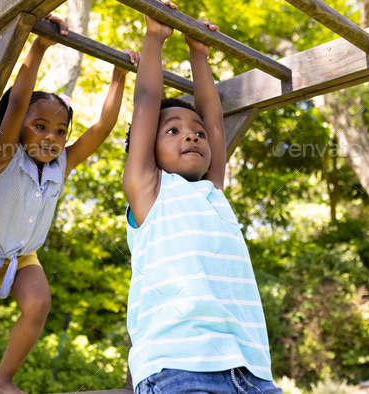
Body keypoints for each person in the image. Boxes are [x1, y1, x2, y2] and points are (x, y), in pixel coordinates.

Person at [0, 13, 141, 394]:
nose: (51, 137)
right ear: (19, 127)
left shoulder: (62, 165)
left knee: (39, 303)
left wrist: (119, 75)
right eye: (39, 126)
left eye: (60, 131)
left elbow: (101, 128)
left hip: (25, 258)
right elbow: (18, 101)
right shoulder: (6, 155)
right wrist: (37, 45)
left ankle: (2, 382)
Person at [122, 5, 282, 394]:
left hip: (252, 370)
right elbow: (146, 98)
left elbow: (213, 118)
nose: (191, 136)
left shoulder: (212, 191)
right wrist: (155, 37)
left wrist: (199, 54)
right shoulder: (149, 190)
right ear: (146, 150)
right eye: (172, 131)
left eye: (196, 133)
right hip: (177, 368)